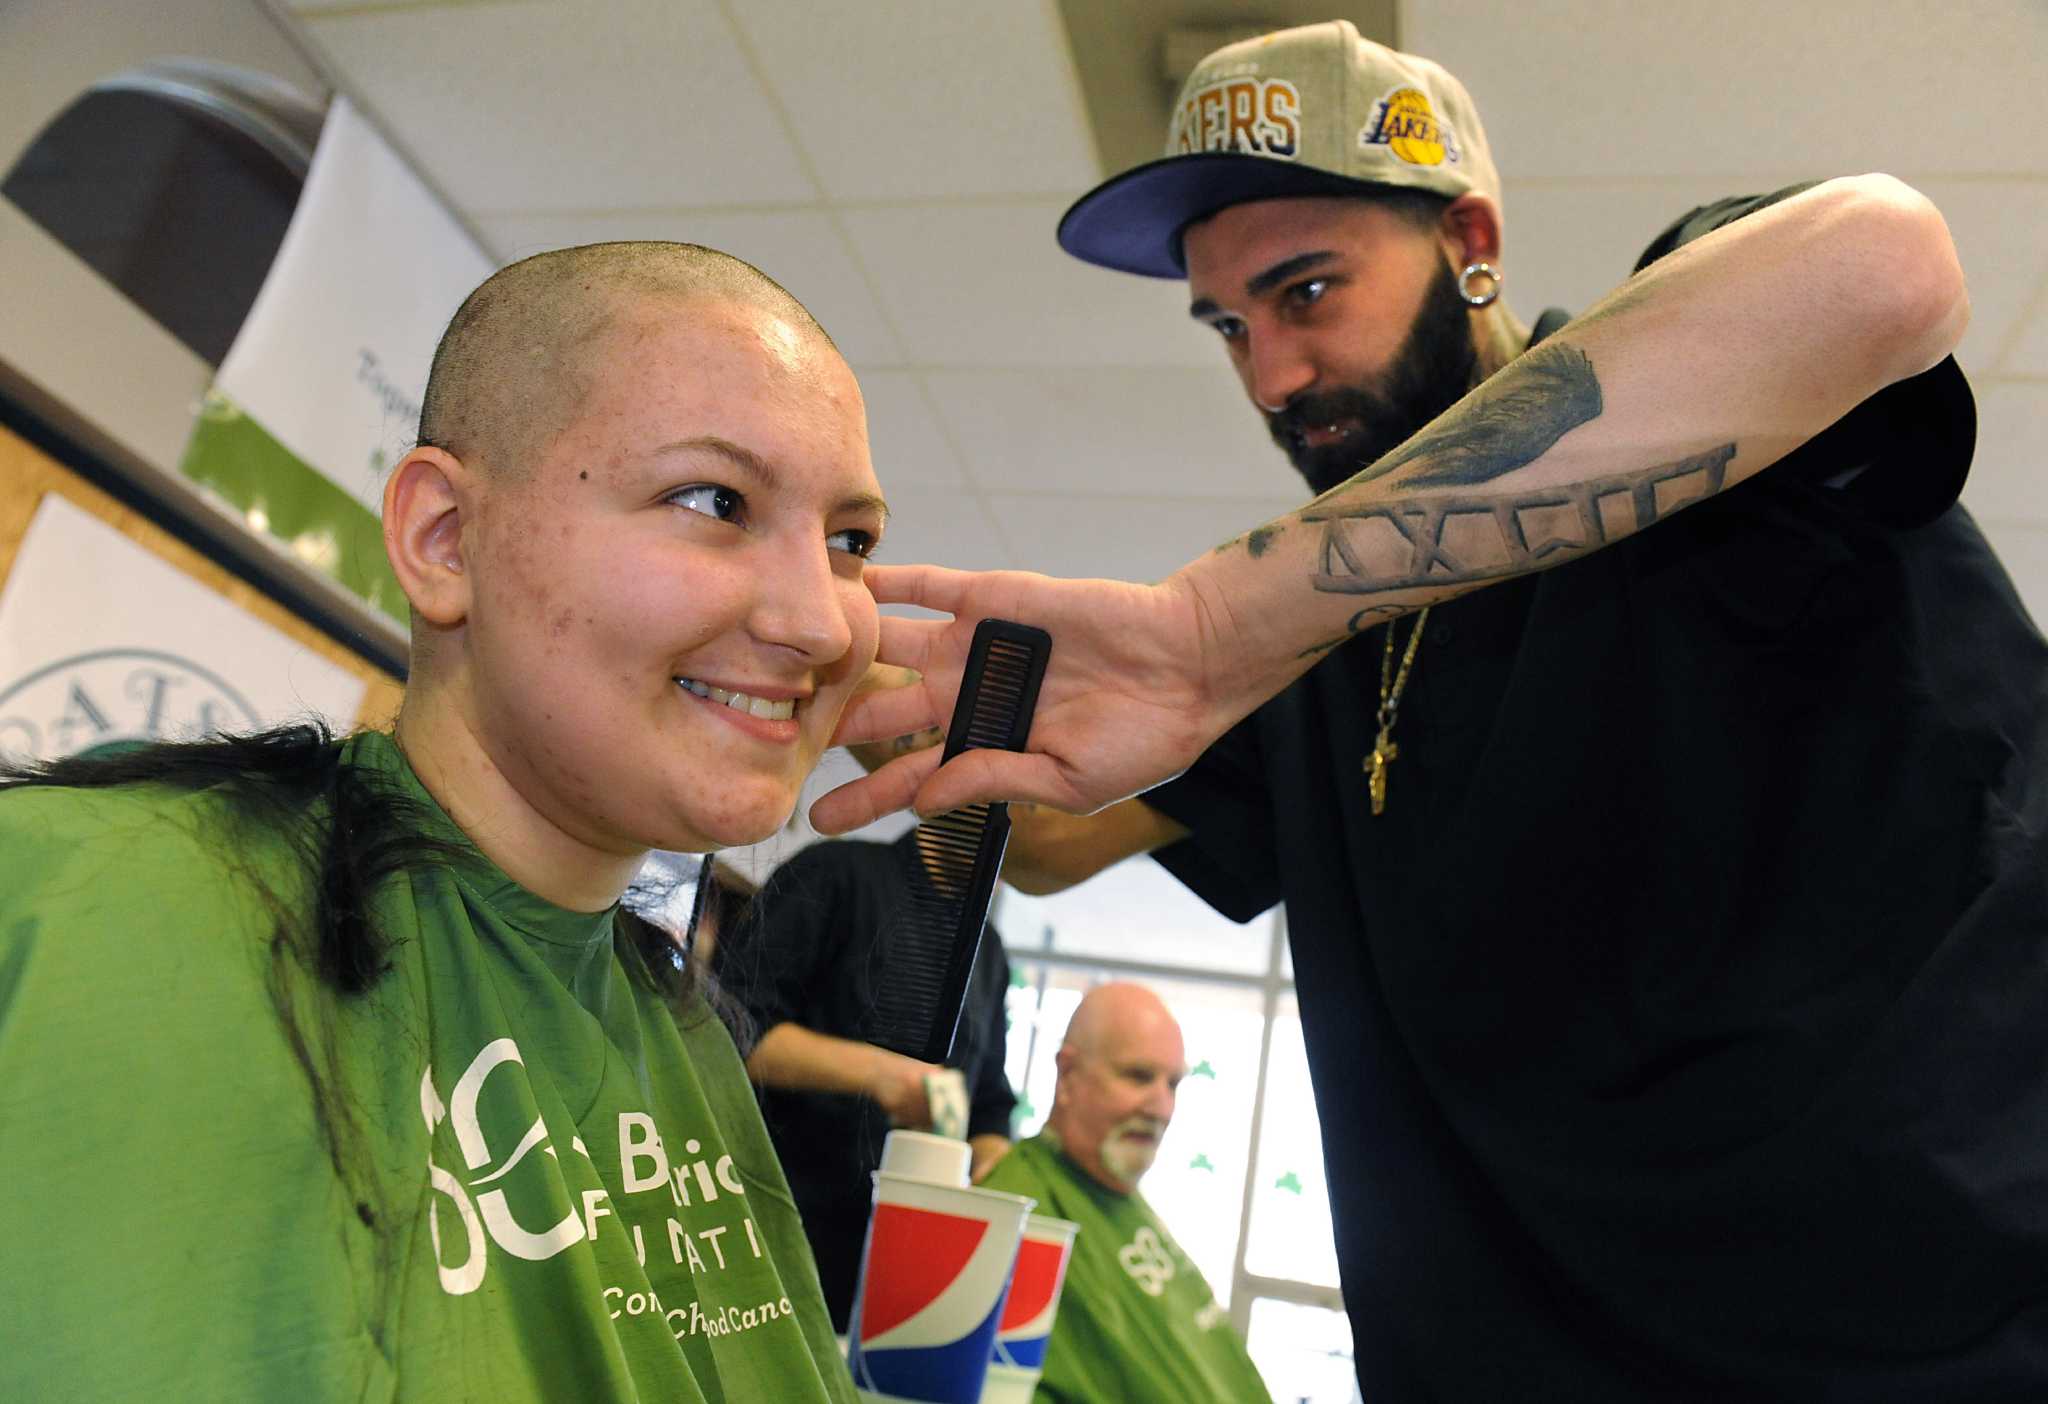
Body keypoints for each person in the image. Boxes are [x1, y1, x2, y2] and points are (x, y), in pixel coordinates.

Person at [814, 21, 2048, 1401]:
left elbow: (1884, 266)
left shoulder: (1705, 439)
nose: (1269, 375)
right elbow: (1046, 837)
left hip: (1919, 1345)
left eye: (1305, 290)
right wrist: (826, 651)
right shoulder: (1326, 656)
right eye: (1228, 325)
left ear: (1469, 239)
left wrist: (1228, 618)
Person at [0, 242, 888, 1401]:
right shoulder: (107, 902)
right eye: (714, 501)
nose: (825, 623)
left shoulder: (680, 1033)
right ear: (444, 539)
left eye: (851, 542)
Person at [711, 830, 1019, 1330]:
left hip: (893, 1270)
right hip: (774, 1229)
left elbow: (990, 1106)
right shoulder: (836, 874)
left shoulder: (988, 950)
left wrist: (989, 1176)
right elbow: (728, 1030)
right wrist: (880, 1073)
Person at [979, 983, 1271, 1404]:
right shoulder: (1015, 1206)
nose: (1162, 1108)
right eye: (1138, 1076)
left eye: (1173, 1084)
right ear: (1068, 1075)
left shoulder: (1124, 1203)